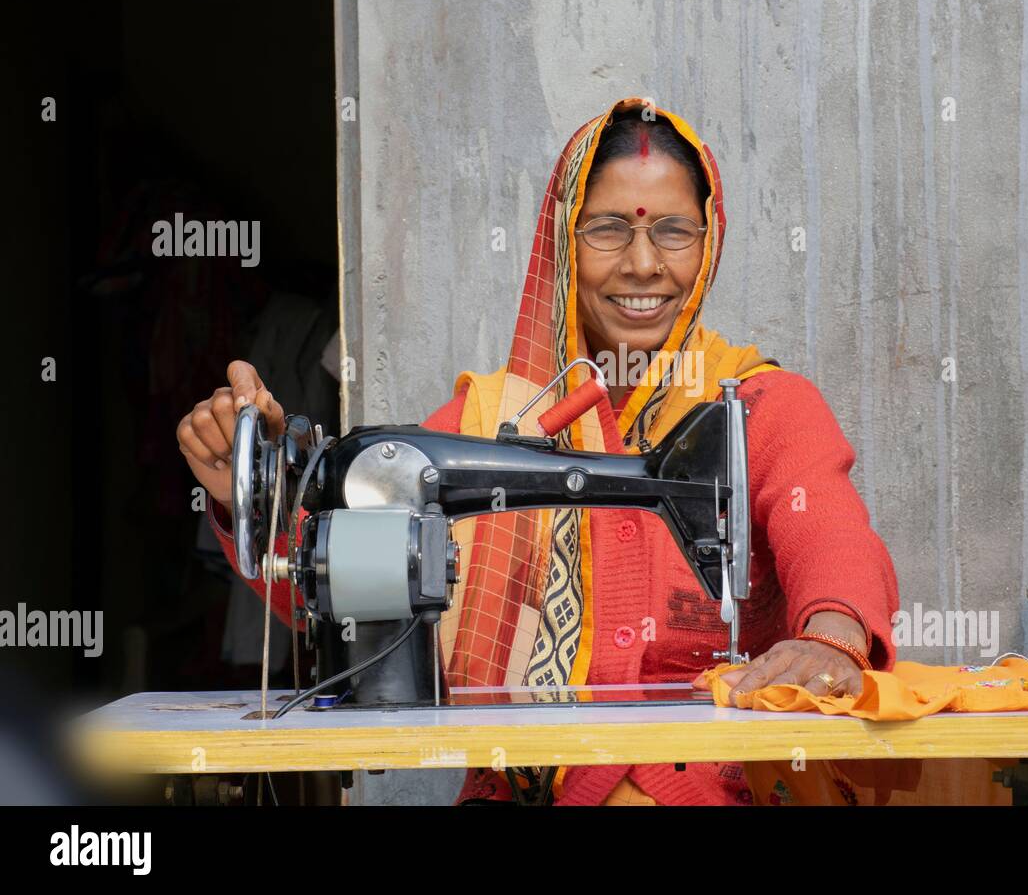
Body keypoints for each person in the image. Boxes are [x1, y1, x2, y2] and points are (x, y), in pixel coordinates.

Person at [177, 96, 899, 805]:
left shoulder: (764, 408)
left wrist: (832, 638)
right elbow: (339, 592)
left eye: (674, 231)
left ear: (708, 242)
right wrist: (252, 496)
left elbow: (831, 533)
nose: (644, 264)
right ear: (563, 241)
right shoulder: (488, 422)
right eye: (608, 230)